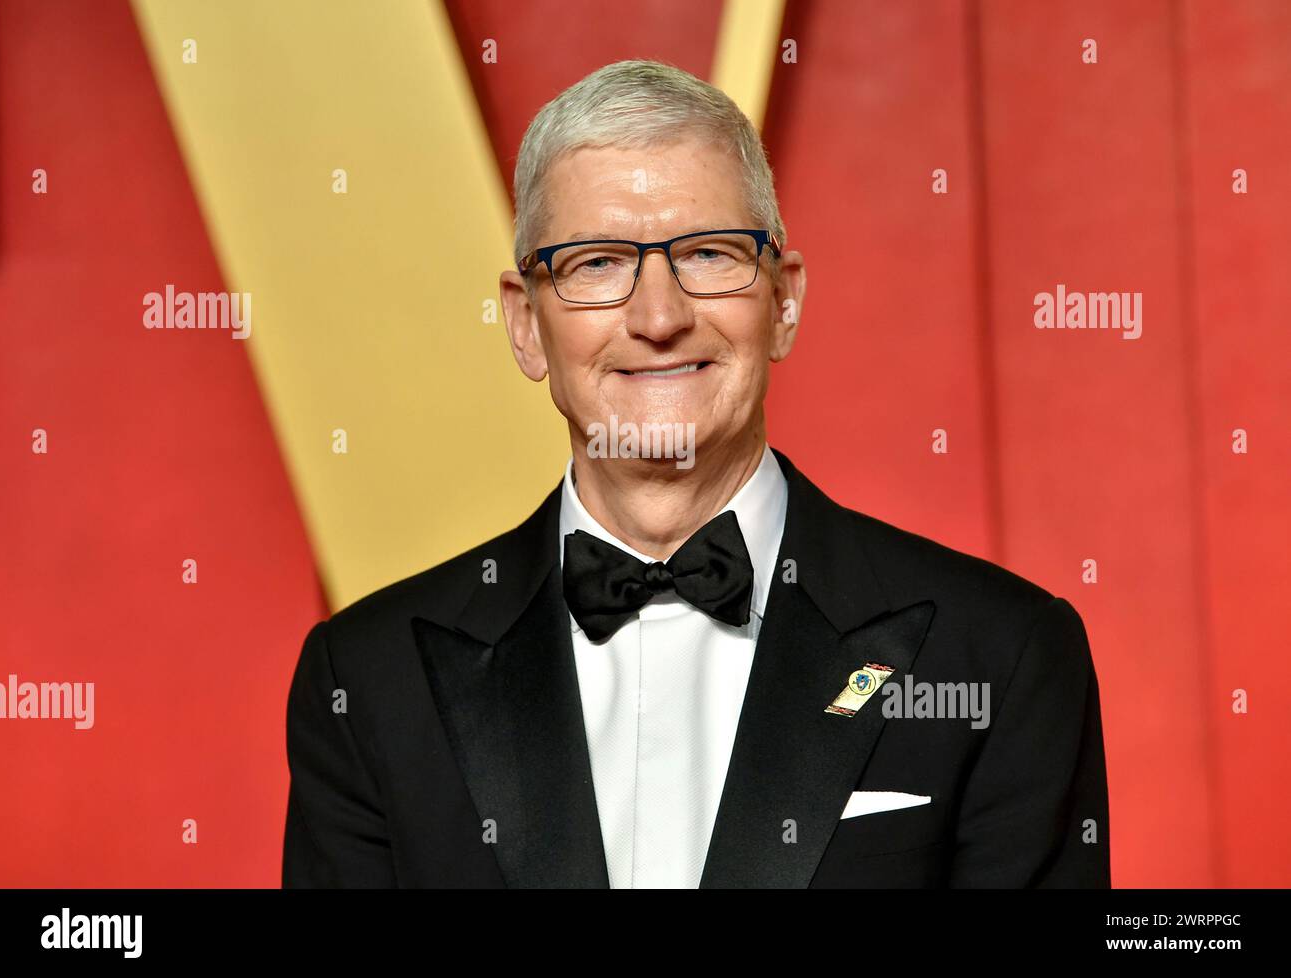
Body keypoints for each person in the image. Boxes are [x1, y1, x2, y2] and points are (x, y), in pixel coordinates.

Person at [282, 59, 1110, 889]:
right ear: (526, 325)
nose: (659, 318)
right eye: (597, 263)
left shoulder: (1004, 656)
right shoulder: (366, 684)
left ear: (783, 302)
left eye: (709, 254)